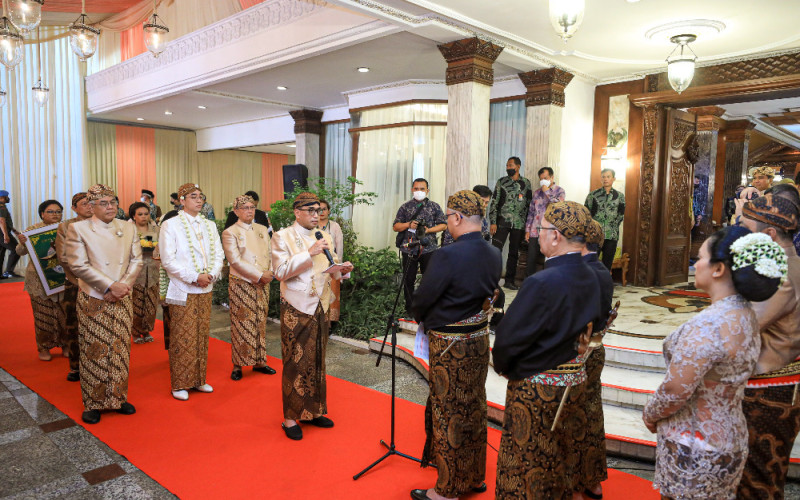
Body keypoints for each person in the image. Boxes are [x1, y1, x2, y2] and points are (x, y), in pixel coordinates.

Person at [643, 226, 784, 500]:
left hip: (694, 444)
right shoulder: (745, 314)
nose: (695, 265)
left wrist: (650, 414)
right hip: (731, 437)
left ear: (718, 269)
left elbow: (675, 390)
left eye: (699, 258)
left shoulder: (708, 325)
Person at [492, 201, 600, 499]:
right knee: (561, 460)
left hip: (536, 389)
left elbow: (508, 340)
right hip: (573, 384)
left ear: (555, 236)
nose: (536, 235)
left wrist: (504, 368)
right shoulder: (592, 274)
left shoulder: (541, 281)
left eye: (540, 229)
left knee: (526, 466)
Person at [409, 190, 501, 500]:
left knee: (448, 411)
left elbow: (424, 298)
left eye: (448, 217)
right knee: (474, 406)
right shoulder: (494, 252)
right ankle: (474, 477)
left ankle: (446, 490)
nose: (447, 222)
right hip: (478, 340)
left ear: (458, 218)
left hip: (449, 345)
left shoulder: (447, 255)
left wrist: (417, 314)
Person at [271, 192, 353, 441]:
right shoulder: (282, 236)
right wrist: (309, 252)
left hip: (321, 304)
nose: (317, 215)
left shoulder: (325, 235)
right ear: (297, 212)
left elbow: (331, 266)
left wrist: (343, 271)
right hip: (297, 305)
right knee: (295, 361)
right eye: (311, 211)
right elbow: (281, 272)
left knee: (317, 359)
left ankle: (314, 411)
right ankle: (290, 418)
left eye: (319, 211)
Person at [735, 189, 800, 499]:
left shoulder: (783, 274)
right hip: (781, 382)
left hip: (768, 387)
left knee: (758, 479)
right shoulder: (791, 265)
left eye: (747, 231)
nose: (743, 239)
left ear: (770, 234)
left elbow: (744, 328)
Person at [65, 184, 143, 424]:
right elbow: (78, 265)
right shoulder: (78, 228)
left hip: (122, 296)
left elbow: (136, 260)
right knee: (94, 349)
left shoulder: (127, 227)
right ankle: (94, 402)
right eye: (104, 203)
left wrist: (122, 287)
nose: (110, 207)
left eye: (113, 203)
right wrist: (109, 286)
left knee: (120, 347)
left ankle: (118, 397)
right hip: (94, 297)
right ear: (91, 207)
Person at [160, 183, 224, 401]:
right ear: (182, 200)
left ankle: (198, 379)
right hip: (182, 288)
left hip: (205, 287)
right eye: (193, 196)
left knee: (200, 334)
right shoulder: (170, 225)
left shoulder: (210, 225)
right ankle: (180, 383)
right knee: (182, 336)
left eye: (201, 196)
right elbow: (168, 261)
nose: (199, 200)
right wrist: (195, 276)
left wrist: (211, 274)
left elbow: (218, 254)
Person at [221, 195, 276, 381]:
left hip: (263, 282)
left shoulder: (261, 229)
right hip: (242, 283)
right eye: (244, 208)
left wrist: (269, 272)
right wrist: (258, 275)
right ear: (236, 211)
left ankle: (260, 361)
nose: (249, 211)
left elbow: (270, 253)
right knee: (242, 324)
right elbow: (234, 260)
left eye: (252, 207)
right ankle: (238, 364)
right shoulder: (230, 232)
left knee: (260, 321)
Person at [578, 220, 614, 499]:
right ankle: (591, 479)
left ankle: (577, 480)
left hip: (580, 353)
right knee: (591, 411)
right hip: (596, 349)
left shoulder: (581, 271)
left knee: (575, 414)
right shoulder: (601, 268)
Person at [16, 200, 66, 361]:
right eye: (50, 212)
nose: (55, 215)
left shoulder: (66, 229)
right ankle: (44, 348)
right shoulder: (32, 230)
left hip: (62, 277)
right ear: (42, 214)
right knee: (42, 315)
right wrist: (23, 243)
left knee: (65, 314)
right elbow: (20, 251)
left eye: (58, 211)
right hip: (39, 279)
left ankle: (66, 345)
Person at [393, 178, 446, 315]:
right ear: (412, 190)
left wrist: (429, 230)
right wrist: (408, 225)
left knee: (429, 279)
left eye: (422, 189)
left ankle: (427, 307)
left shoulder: (434, 206)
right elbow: (396, 226)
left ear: (427, 191)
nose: (419, 191)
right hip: (409, 248)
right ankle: (410, 309)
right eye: (416, 189)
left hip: (429, 248)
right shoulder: (405, 207)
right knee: (408, 280)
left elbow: (443, 224)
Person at [56, 192, 93, 382]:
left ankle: (98, 365)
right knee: (74, 325)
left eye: (92, 203)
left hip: (102, 286)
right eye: (84, 203)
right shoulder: (66, 226)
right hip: (76, 283)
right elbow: (64, 257)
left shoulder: (103, 224)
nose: (89, 206)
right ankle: (76, 367)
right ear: (74, 208)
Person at [489, 157, 532, 290]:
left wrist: (527, 227)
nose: (508, 168)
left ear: (518, 167)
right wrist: (493, 222)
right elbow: (494, 202)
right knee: (495, 251)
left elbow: (529, 205)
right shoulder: (501, 182)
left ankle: (509, 281)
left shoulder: (526, 183)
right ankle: (492, 280)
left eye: (510, 165)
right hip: (501, 222)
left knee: (514, 253)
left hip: (518, 224)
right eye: (507, 165)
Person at [129, 202, 160, 344]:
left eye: (146, 214)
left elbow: (161, 248)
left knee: (151, 303)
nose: (143, 217)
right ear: (133, 216)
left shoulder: (156, 229)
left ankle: (147, 330)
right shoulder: (129, 230)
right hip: (136, 272)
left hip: (153, 270)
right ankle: (135, 332)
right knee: (136, 303)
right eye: (140, 214)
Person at [525, 166, 566, 277]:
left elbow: (558, 206)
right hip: (535, 230)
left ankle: (549, 281)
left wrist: (547, 191)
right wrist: (527, 230)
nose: (543, 181)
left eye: (545, 178)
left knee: (549, 259)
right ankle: (530, 282)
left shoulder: (560, 191)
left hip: (550, 231)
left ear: (552, 177)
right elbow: (531, 212)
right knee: (531, 258)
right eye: (541, 178)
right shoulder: (537, 193)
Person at [584, 168, 626, 270]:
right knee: (591, 262)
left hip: (611, 235)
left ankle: (605, 284)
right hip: (595, 235)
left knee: (607, 263)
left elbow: (621, 214)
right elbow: (586, 213)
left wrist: (613, 226)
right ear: (600, 179)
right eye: (603, 177)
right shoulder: (592, 195)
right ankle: (591, 284)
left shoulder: (619, 196)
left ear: (613, 179)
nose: (605, 179)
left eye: (608, 177)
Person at [317, 199, 344, 324]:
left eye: (324, 209)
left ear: (328, 211)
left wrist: (339, 268)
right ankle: (317, 322)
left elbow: (339, 248)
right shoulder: (312, 225)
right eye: (319, 209)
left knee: (331, 296)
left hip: (331, 265)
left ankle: (329, 325)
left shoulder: (334, 226)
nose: (321, 212)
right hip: (316, 267)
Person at [0, 189, 21, 278]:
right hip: (2, 233)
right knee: (16, 249)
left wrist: (14, 230)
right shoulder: (1, 207)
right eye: (6, 197)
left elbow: (6, 222)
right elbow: (2, 221)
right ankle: (8, 271)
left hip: (2, 232)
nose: (8, 199)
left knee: (1, 253)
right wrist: (5, 235)